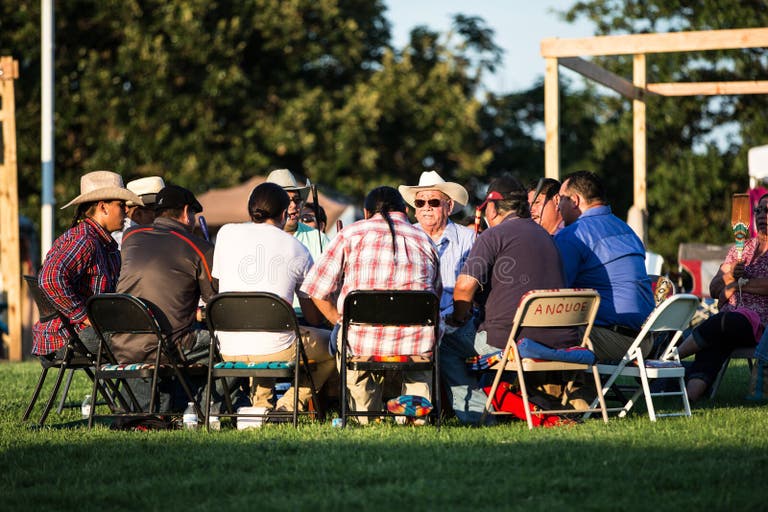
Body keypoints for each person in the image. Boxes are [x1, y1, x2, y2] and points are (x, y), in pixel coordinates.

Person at [441, 176, 578, 425]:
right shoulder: (547, 237)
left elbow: (464, 287)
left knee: (445, 343)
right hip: (558, 338)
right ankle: (502, 402)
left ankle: (477, 415)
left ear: (493, 208)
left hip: (512, 341)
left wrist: (457, 319)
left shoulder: (493, 236)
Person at [301, 186, 441, 422]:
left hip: (361, 342)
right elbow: (434, 298)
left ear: (366, 213)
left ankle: (365, 416)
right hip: (416, 343)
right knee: (421, 356)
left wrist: (338, 320)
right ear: (405, 211)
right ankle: (415, 416)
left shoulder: (350, 234)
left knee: (346, 340)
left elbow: (315, 289)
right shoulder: (424, 239)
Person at [212, 182, 336, 413]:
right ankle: (288, 406)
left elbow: (219, 283)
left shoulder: (225, 233)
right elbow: (313, 317)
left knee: (266, 333)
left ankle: (261, 408)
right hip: (276, 345)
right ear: (283, 213)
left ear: (251, 210)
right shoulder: (297, 248)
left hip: (228, 346)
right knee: (332, 346)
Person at [32, 170, 142, 358]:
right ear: (103, 207)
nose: (126, 210)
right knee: (147, 342)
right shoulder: (85, 240)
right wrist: (84, 317)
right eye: (121, 204)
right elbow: (50, 278)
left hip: (75, 334)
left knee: (145, 338)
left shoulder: (101, 242)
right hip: (70, 337)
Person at [676, 192, 768, 401]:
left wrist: (737, 285)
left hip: (759, 325)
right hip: (727, 323)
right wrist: (730, 275)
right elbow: (714, 288)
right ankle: (689, 397)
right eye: (758, 210)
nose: (762, 215)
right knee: (715, 341)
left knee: (723, 323)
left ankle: (670, 358)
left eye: (767, 210)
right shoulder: (741, 248)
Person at [554, 170, 654, 361]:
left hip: (610, 340)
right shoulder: (626, 230)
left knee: (536, 333)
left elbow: (553, 291)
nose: (558, 207)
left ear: (574, 200)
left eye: (561, 199)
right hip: (645, 340)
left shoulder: (573, 234)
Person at [399, 170, 475, 317]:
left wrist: (455, 318)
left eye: (433, 202)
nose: (426, 207)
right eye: (420, 203)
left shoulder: (469, 239)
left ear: (449, 206)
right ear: (415, 210)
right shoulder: (404, 237)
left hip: (456, 321)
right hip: (413, 320)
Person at [112, 176, 165, 248]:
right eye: (157, 211)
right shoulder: (124, 239)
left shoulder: (122, 236)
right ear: (138, 213)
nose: (162, 215)